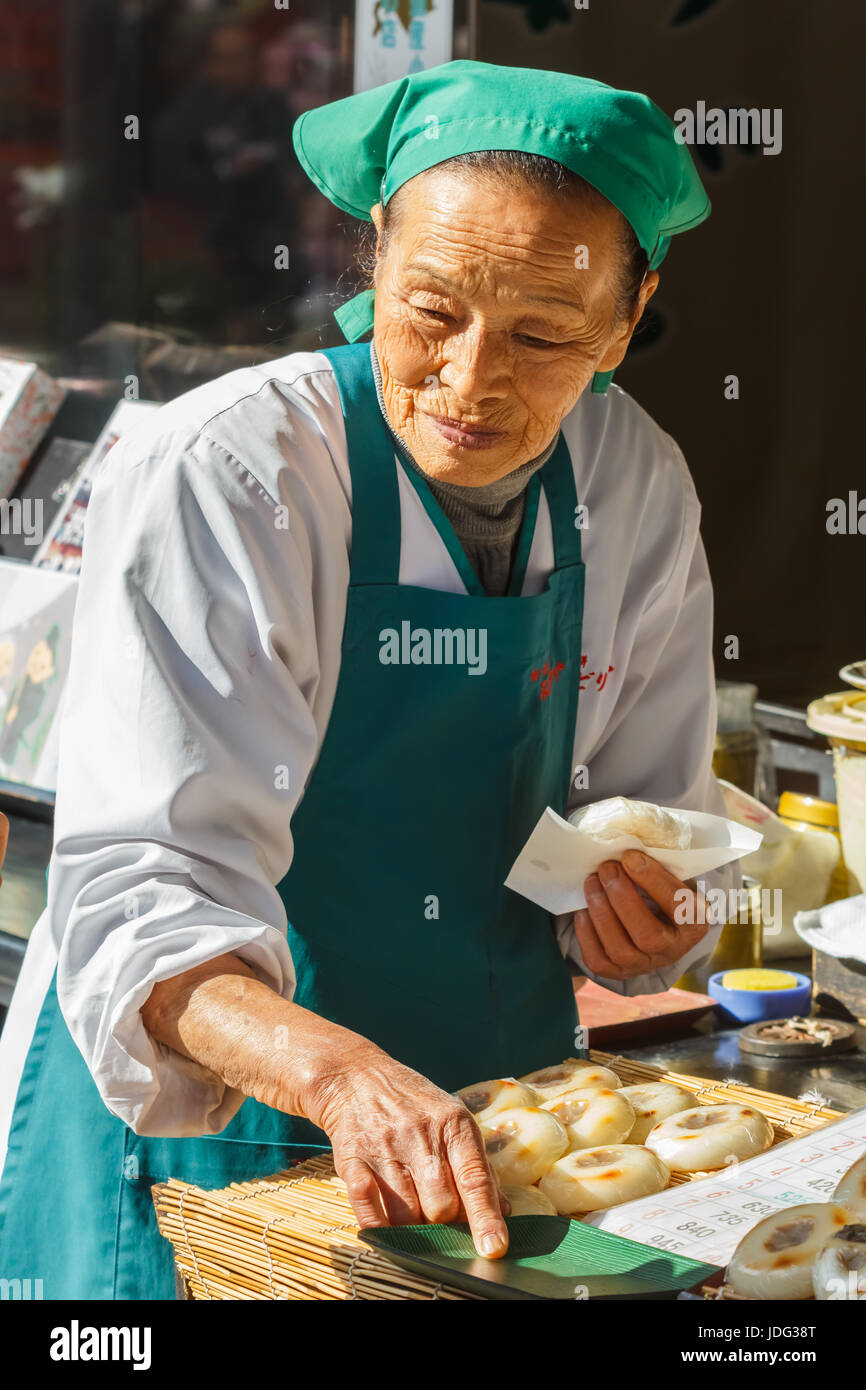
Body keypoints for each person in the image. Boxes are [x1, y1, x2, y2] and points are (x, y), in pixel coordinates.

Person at [0, 61, 732, 1299]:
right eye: (432, 309)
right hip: (218, 1123)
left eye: (545, 335)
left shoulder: (633, 483)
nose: (470, 380)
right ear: (373, 255)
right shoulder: (241, 470)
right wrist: (339, 1076)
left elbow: (645, 816)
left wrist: (643, 920)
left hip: (500, 1127)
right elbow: (140, 893)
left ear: (625, 316)